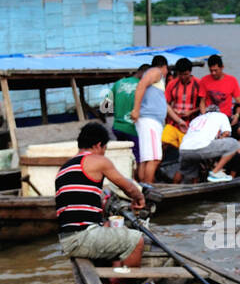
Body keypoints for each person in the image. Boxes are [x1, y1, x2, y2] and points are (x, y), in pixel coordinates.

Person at [55, 121, 147, 265]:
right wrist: (139, 198)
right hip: (82, 237)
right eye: (104, 148)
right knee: (137, 241)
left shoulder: (64, 167)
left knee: (112, 228)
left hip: (67, 239)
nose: (104, 152)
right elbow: (129, 188)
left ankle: (114, 277)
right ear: (98, 145)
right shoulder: (99, 161)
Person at [130, 54, 182, 185]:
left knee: (146, 159)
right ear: (164, 66)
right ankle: (148, 187)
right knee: (155, 158)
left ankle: (143, 186)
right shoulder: (156, 72)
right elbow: (141, 85)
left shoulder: (157, 84)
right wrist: (135, 110)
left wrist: (179, 121)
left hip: (148, 121)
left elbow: (165, 105)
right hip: (150, 121)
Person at [178, 109, 240, 183]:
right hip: (201, 147)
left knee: (183, 171)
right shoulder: (221, 115)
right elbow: (226, 133)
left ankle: (175, 186)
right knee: (234, 144)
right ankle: (215, 172)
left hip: (183, 149)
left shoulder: (196, 119)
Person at [110, 63, 148, 156]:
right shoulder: (143, 86)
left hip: (117, 128)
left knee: (123, 157)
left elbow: (105, 106)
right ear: (143, 74)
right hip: (133, 129)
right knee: (139, 159)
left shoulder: (118, 83)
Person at [165, 57, 201, 126]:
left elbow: (204, 105)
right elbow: (165, 103)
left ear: (190, 72)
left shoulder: (199, 84)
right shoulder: (172, 84)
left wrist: (191, 112)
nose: (183, 77)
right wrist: (173, 110)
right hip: (174, 123)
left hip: (193, 124)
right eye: (181, 74)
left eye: (185, 74)